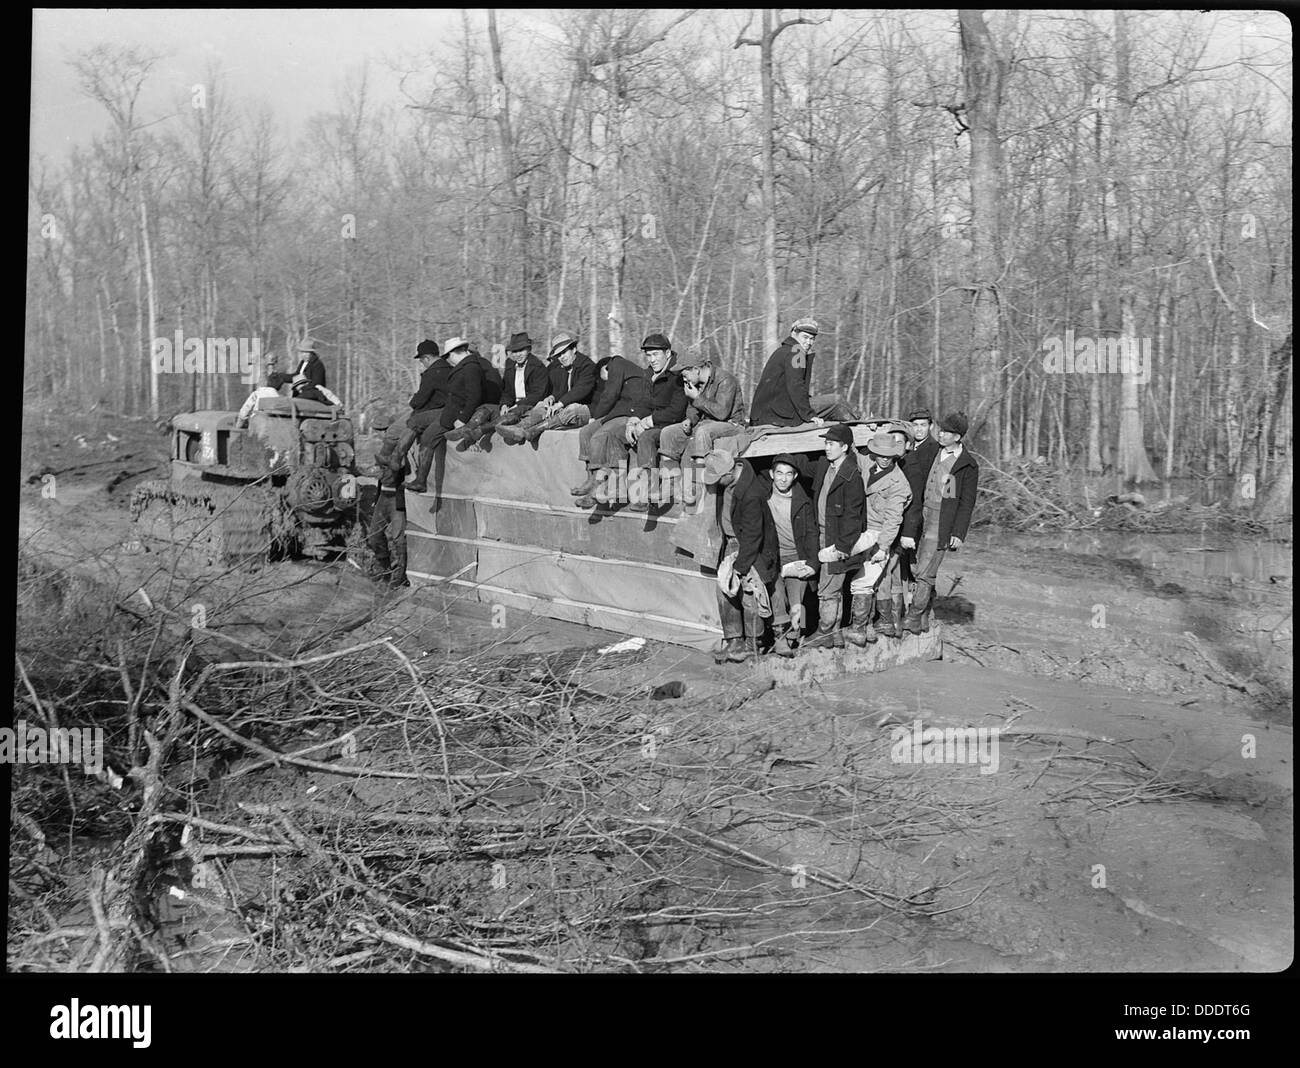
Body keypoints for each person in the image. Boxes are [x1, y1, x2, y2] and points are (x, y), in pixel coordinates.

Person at [903, 411, 979, 634]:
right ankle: (926, 615)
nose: (942, 434)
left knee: (926, 571)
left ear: (958, 437)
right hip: (921, 513)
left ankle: (914, 617)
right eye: (941, 430)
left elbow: (966, 503)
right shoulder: (933, 451)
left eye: (947, 432)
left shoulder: (967, 465)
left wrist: (958, 533)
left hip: (941, 520)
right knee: (917, 564)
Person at [704, 451, 777, 663]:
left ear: (729, 472)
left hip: (749, 548)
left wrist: (740, 566)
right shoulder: (729, 482)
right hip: (731, 542)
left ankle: (753, 644)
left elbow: (755, 536)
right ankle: (734, 640)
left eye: (718, 479)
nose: (716, 484)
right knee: (724, 591)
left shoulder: (752, 493)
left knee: (749, 595)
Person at [842, 433, 911, 646]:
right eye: (880, 454)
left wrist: (883, 547)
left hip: (877, 534)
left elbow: (893, 519)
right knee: (864, 578)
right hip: (859, 529)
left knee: (865, 580)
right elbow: (853, 452)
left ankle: (858, 629)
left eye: (888, 455)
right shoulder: (868, 462)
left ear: (894, 456)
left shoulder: (898, 482)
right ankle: (867, 627)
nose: (883, 458)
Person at [805, 423, 867, 648]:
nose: (827, 447)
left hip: (837, 541)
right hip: (822, 534)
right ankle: (835, 636)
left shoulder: (852, 477)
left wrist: (841, 547)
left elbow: (854, 518)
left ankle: (823, 634)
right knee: (834, 588)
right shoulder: (826, 466)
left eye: (831, 444)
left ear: (845, 447)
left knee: (828, 589)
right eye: (826, 443)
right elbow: (803, 466)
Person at [658, 350, 746, 506]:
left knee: (702, 431)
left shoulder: (725, 380)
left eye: (685, 373)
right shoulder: (695, 382)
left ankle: (695, 486)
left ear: (696, 370)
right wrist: (689, 420)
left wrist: (697, 397)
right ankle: (669, 483)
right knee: (668, 433)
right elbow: (693, 409)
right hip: (705, 423)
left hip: (731, 424)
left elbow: (721, 413)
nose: (683, 377)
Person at [887, 407, 942, 636]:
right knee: (907, 565)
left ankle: (921, 615)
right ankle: (909, 615)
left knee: (920, 567)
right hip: (907, 509)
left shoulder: (934, 450)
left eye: (923, 425)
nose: (919, 429)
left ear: (930, 426)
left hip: (923, 512)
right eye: (915, 425)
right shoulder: (906, 448)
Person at [402, 337, 481, 493]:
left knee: (427, 437)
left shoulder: (470, 367)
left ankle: (420, 479)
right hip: (450, 412)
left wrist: (462, 419)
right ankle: (411, 471)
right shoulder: (465, 367)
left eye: (448, 356)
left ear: (455, 353)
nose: (447, 361)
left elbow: (474, 396)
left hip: (454, 414)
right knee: (417, 425)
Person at [748, 317, 856, 428]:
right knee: (837, 401)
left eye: (812, 339)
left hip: (765, 414)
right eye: (805, 337)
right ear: (794, 333)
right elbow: (796, 385)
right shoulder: (796, 351)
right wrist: (809, 415)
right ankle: (861, 429)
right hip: (779, 414)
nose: (809, 342)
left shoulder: (783, 350)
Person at [572, 354, 648, 509]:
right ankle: (591, 477)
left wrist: (597, 416)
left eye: (602, 378)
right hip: (618, 412)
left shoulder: (617, 364)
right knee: (586, 432)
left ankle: (598, 486)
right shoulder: (623, 370)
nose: (604, 382)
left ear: (604, 368)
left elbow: (609, 395)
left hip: (630, 413)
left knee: (599, 437)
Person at [496, 333, 598, 444]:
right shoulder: (564, 367)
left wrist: (560, 403)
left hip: (588, 409)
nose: (562, 357)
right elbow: (562, 390)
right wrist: (552, 397)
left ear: (573, 349)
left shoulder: (587, 366)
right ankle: (519, 428)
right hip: (567, 405)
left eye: (564, 352)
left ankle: (533, 431)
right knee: (542, 405)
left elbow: (581, 390)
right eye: (558, 355)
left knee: (572, 409)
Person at [623, 334, 686, 512]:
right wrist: (634, 420)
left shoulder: (678, 374)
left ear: (667, 353)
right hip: (656, 421)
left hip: (676, 425)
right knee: (626, 433)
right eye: (648, 356)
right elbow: (644, 403)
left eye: (656, 355)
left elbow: (677, 411)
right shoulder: (649, 374)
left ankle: (648, 489)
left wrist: (648, 421)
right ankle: (613, 487)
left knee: (646, 437)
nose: (652, 360)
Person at [765, 454, 819, 656]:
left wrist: (813, 562)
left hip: (796, 556)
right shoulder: (764, 496)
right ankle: (780, 638)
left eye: (788, 474)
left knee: (798, 601)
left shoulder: (802, 501)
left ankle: (796, 636)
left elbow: (812, 533)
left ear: (795, 476)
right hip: (773, 557)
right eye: (779, 473)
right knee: (777, 595)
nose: (783, 479)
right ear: (771, 474)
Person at [449, 333, 541, 450]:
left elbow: (537, 394)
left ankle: (479, 432)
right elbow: (507, 391)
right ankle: (468, 428)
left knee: (511, 415)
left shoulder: (538, 367)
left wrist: (516, 405)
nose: (518, 354)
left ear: (529, 349)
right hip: (512, 405)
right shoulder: (510, 366)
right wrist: (504, 404)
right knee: (486, 408)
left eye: (521, 350)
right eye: (515, 351)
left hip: (528, 406)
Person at [388, 339, 447, 482]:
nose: (422, 363)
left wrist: (412, 402)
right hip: (446, 409)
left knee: (406, 424)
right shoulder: (450, 368)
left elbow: (420, 399)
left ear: (427, 358)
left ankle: (396, 457)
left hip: (437, 412)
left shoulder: (432, 373)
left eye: (422, 360)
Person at [366, 407, 409, 590]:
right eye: (380, 431)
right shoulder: (383, 448)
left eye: (385, 430)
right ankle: (384, 569)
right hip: (383, 496)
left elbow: (397, 472)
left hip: (397, 500)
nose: (382, 434)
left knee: (399, 539)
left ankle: (401, 575)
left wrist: (383, 469)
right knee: (374, 535)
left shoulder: (405, 446)